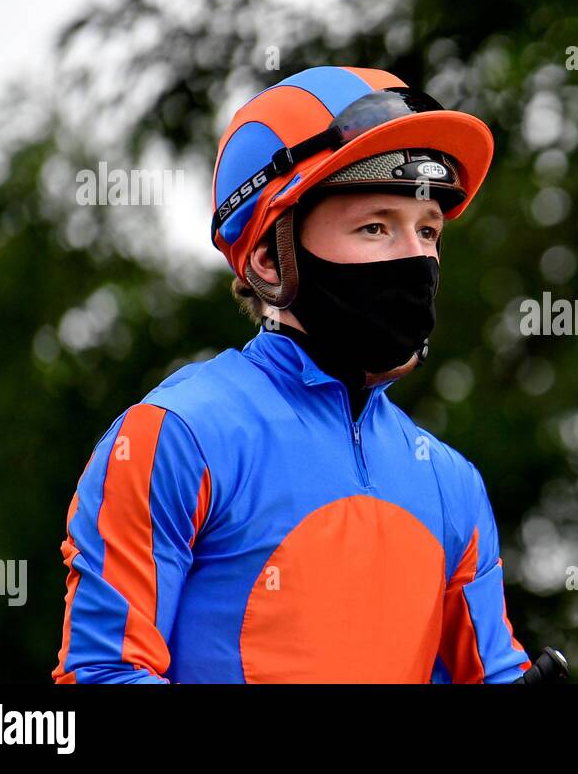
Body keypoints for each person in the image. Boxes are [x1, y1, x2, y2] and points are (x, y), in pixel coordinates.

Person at [52, 66, 532, 683]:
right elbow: (104, 674)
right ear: (267, 260)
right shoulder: (175, 437)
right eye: (376, 227)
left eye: (429, 230)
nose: (416, 255)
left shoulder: (451, 484)